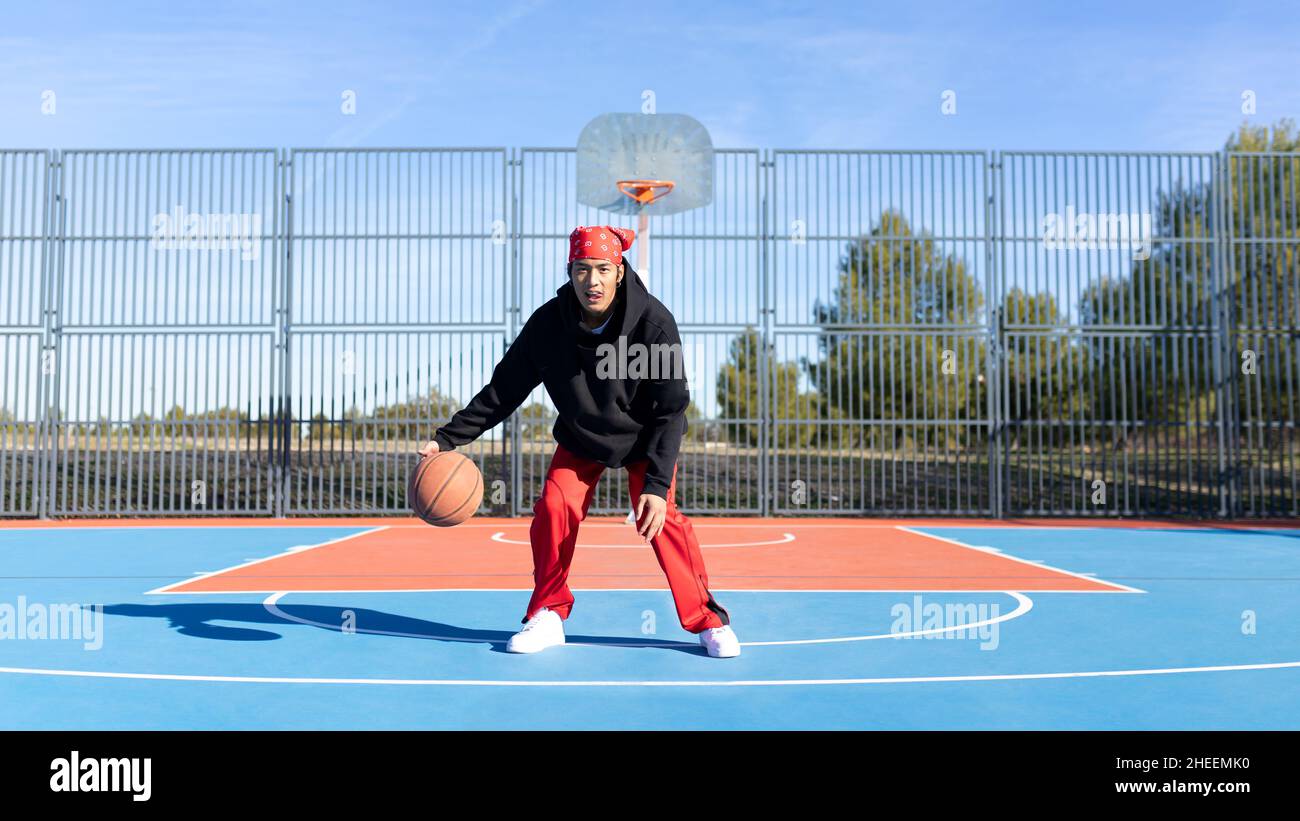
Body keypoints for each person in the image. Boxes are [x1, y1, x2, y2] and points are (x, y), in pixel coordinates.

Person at [418, 225, 739, 658]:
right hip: (583, 436)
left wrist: (658, 487)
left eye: (603, 269)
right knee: (553, 507)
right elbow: (503, 391)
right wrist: (448, 439)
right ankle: (548, 613)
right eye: (582, 269)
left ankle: (707, 621)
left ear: (619, 271)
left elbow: (670, 410)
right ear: (569, 272)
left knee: (664, 524)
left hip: (646, 438)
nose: (593, 281)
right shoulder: (548, 326)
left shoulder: (653, 325)